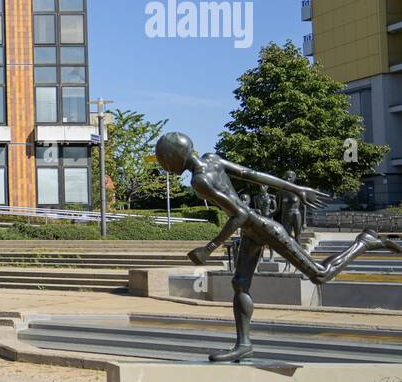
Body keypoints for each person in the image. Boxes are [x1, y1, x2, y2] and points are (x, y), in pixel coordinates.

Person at [156, 131, 402, 362]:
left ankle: (364, 242)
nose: (165, 167)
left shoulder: (200, 181)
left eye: (164, 160)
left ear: (172, 157)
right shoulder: (212, 159)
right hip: (253, 231)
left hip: (263, 228)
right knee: (239, 284)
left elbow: (239, 215)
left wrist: (209, 248)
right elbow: (253, 174)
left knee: (319, 274)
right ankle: (244, 344)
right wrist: (294, 187)